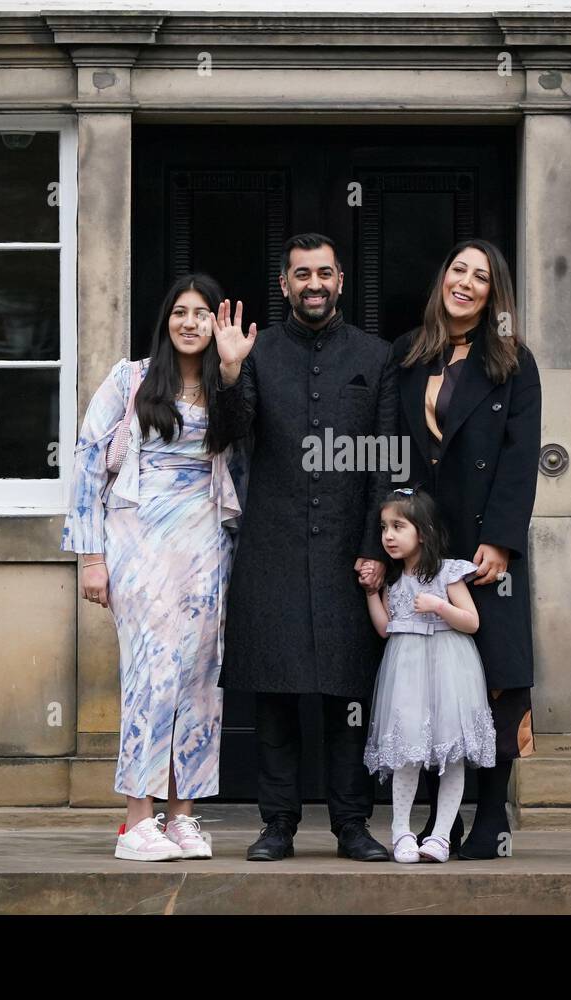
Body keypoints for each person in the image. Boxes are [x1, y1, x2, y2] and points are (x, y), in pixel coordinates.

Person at [210, 232, 397, 863]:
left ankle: (351, 823)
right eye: (300, 275)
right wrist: (232, 372)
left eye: (323, 273)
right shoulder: (258, 355)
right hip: (273, 546)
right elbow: (230, 437)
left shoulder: (376, 355)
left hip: (350, 549)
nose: (312, 284)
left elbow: (388, 461)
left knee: (349, 694)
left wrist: (376, 544)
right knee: (275, 695)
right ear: (284, 284)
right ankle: (277, 825)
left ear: (341, 279)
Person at [365, 238, 541, 860]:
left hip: (487, 544)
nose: (466, 282)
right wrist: (387, 537)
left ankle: (491, 816)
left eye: (482, 277)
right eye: (459, 270)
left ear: (495, 294)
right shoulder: (408, 355)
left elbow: (522, 459)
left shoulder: (514, 361)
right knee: (433, 684)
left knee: (498, 678)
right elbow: (388, 451)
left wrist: (501, 540)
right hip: (424, 542)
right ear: (443, 278)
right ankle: (441, 822)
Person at [62, 273, 246, 862]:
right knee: (150, 673)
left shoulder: (225, 385)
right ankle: (135, 820)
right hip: (138, 537)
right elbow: (89, 461)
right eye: (180, 312)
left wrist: (235, 370)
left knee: (199, 675)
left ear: (217, 322)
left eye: (202, 314)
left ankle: (182, 817)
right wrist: (91, 556)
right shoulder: (131, 378)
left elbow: (246, 445)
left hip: (205, 541)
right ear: (166, 319)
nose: (190, 323)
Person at [363, 488, 496, 863]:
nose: (388, 535)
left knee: (451, 752)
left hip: (449, 665)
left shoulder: (447, 572)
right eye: (384, 527)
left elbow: (471, 622)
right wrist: (372, 595)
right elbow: (386, 628)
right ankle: (401, 830)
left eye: (398, 526)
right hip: (406, 667)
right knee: (407, 750)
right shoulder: (392, 580)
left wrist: (439, 606)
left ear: (422, 531)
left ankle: (440, 836)